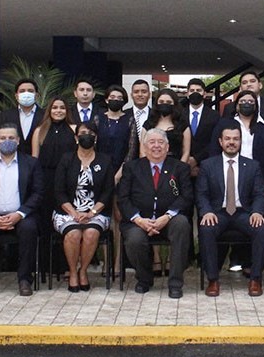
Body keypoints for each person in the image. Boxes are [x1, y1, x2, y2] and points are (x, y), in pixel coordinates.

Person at [117, 128, 193, 298]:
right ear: (144, 147)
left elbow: (187, 197)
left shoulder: (179, 168)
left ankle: (175, 283)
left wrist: (167, 216)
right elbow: (123, 198)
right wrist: (138, 220)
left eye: (161, 142)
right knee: (135, 239)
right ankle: (144, 279)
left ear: (167, 147)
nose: (156, 146)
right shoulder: (131, 168)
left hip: (169, 219)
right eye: (152, 142)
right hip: (139, 220)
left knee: (182, 224)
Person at [195, 125, 264, 297]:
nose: (231, 142)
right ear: (220, 142)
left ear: (240, 142)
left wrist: (257, 211)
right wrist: (206, 211)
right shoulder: (207, 165)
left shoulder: (252, 166)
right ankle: (213, 280)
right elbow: (201, 194)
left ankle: (255, 279)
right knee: (206, 229)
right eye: (228, 139)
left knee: (262, 229)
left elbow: (259, 194)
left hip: (243, 213)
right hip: (217, 212)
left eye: (235, 139)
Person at [0, 124, 44, 296]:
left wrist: (19, 214)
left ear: (18, 141)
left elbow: (38, 192)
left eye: (11, 138)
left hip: (21, 215)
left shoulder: (31, 163)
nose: (7, 141)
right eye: (3, 138)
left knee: (29, 229)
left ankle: (25, 279)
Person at [52, 122, 113, 292]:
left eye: (91, 133)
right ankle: (72, 272)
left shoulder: (105, 160)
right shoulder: (66, 159)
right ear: (76, 138)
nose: (87, 135)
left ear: (96, 138)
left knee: (91, 233)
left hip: (97, 212)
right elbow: (59, 191)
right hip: (67, 212)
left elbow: (108, 192)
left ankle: (83, 271)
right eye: (83, 132)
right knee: (73, 233)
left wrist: (91, 213)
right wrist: (74, 213)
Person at [210, 90, 264, 178]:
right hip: (230, 173)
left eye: (250, 101)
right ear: (237, 106)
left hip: (259, 175)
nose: (246, 104)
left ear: (256, 106)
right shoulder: (224, 124)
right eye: (242, 101)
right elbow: (214, 149)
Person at [31, 97, 77, 207]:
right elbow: (34, 158)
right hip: (46, 177)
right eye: (54, 107)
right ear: (49, 110)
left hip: (68, 177)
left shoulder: (74, 129)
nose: (58, 111)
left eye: (62, 108)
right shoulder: (39, 130)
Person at [141, 89, 191, 164]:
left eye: (168, 102)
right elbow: (142, 151)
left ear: (175, 104)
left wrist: (178, 170)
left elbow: (186, 152)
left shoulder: (183, 125)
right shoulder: (148, 124)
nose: (165, 104)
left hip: (176, 169)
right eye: (161, 102)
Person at [183, 78, 220, 174]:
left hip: (206, 166)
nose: (195, 93)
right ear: (187, 94)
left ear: (204, 94)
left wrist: (196, 159)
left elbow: (215, 140)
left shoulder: (214, 115)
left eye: (198, 90)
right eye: (192, 91)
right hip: (183, 165)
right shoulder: (179, 115)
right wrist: (187, 160)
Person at [95, 85, 135, 173]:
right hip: (99, 168)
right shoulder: (98, 119)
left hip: (123, 169)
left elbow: (131, 148)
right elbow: (94, 145)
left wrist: (121, 172)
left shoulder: (130, 120)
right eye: (112, 97)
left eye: (119, 98)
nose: (116, 100)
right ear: (106, 100)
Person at [13, 79, 43, 144]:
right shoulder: (5, 116)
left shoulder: (46, 115)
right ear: (16, 96)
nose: (26, 94)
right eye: (22, 91)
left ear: (37, 95)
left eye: (30, 91)